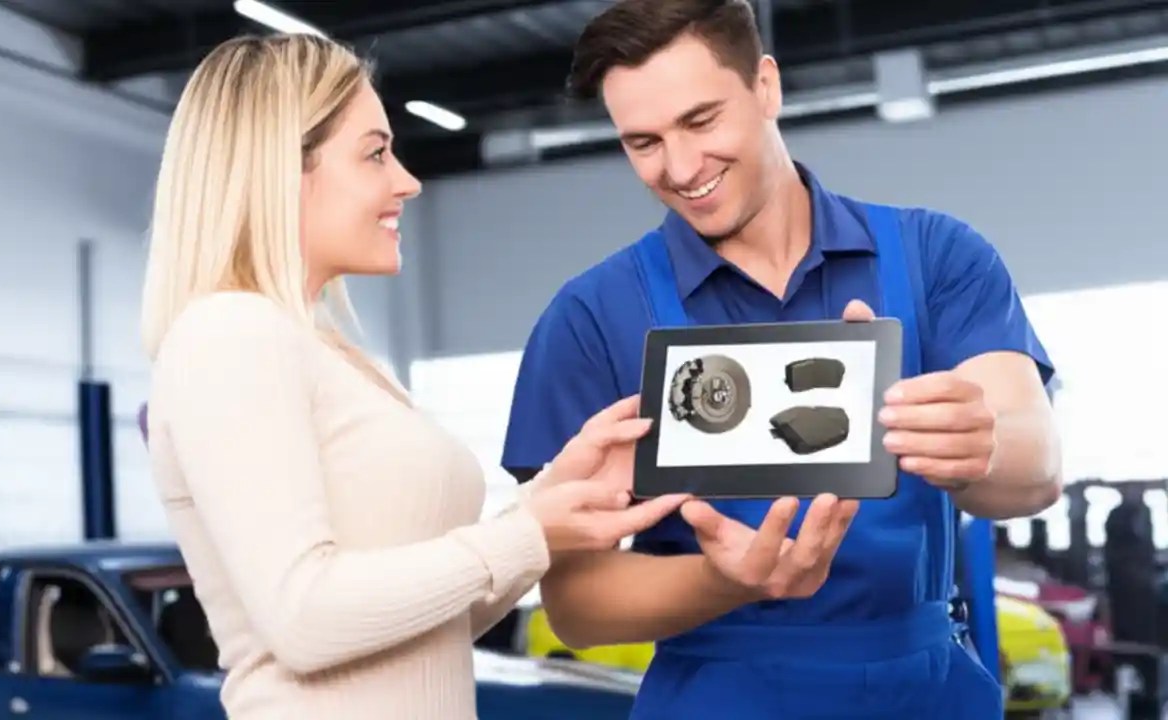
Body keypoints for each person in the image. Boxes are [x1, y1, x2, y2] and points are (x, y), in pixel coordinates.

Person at [500, 1, 1063, 717]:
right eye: (642, 142)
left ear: (766, 86)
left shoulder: (934, 258)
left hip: (924, 693)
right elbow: (575, 604)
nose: (680, 168)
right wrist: (730, 580)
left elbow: (1037, 470)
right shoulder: (592, 319)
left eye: (701, 122)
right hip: (720, 696)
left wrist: (978, 444)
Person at [138, 33, 689, 720]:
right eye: (375, 153)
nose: (407, 180)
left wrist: (552, 502)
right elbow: (304, 619)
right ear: (282, 168)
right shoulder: (228, 333)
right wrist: (523, 533)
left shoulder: (329, 352)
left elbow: (423, 629)